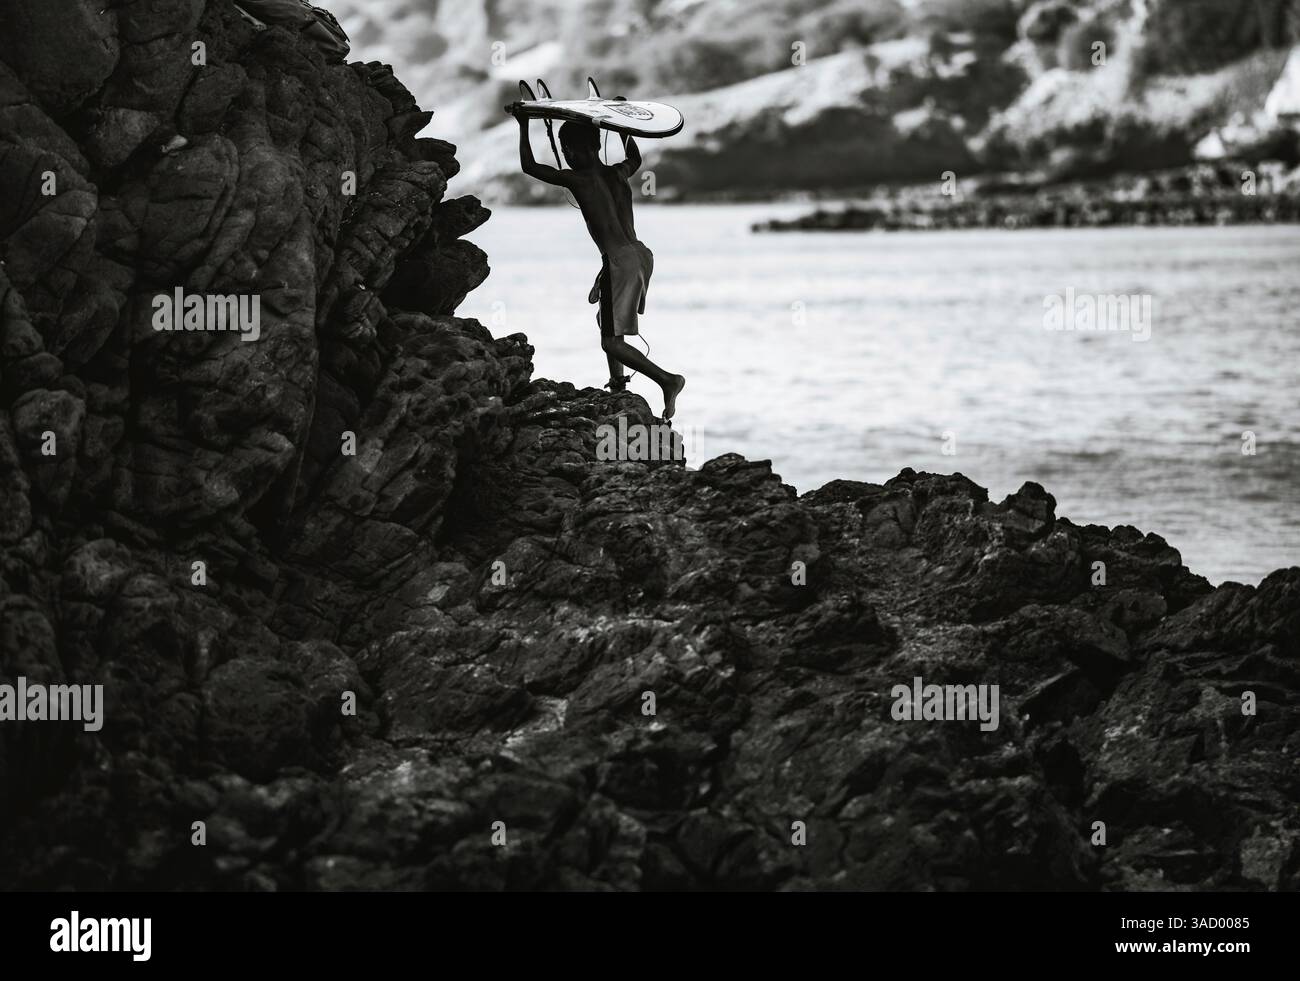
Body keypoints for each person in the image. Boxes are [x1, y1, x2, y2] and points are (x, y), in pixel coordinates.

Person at [508, 104, 685, 420]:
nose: (566, 154)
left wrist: (523, 124)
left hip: (620, 260)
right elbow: (636, 159)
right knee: (605, 316)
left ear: (574, 149)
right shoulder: (618, 171)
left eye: (566, 149)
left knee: (611, 343)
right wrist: (622, 127)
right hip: (640, 254)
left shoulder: (578, 180)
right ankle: (618, 383)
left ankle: (668, 380)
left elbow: (529, 166)